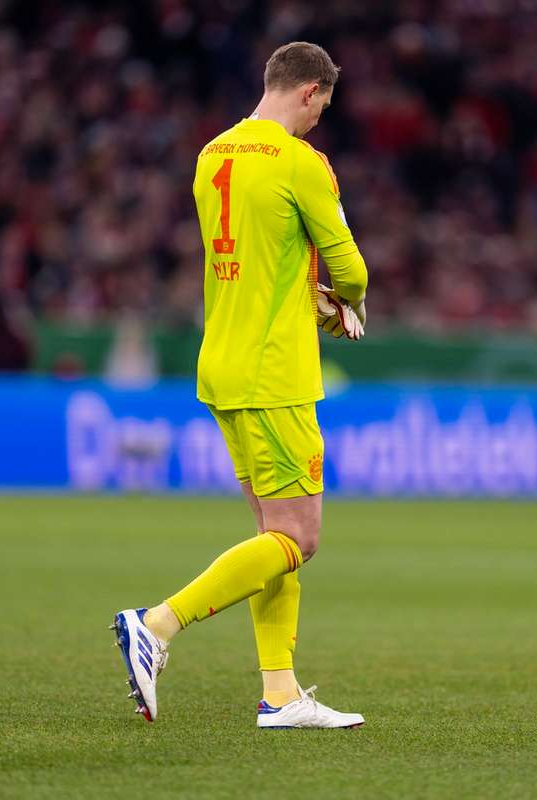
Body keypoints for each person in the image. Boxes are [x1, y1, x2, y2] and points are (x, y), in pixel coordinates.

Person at [111, 42, 368, 728]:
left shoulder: (212, 154)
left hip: (222, 361)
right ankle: (157, 624)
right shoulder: (300, 162)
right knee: (300, 538)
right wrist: (334, 299)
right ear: (310, 92)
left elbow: (256, 258)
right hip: (275, 368)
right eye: (323, 109)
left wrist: (304, 289)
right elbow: (354, 273)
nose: (319, 123)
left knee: (271, 536)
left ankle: (280, 694)